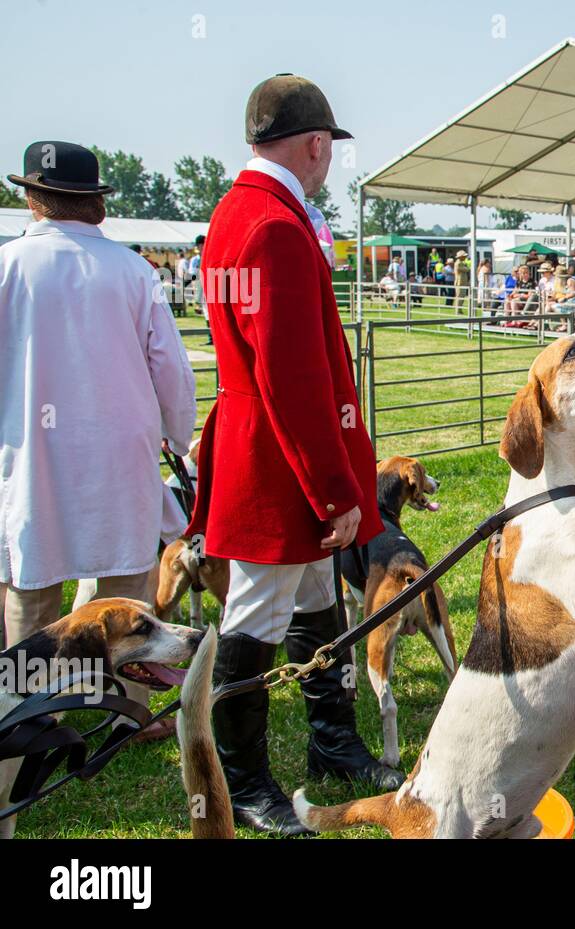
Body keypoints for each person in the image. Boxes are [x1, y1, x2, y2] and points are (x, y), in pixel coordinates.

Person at [187, 74, 399, 836]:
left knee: (317, 600)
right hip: (280, 458)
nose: (328, 162)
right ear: (316, 145)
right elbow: (293, 375)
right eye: (329, 150)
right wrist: (333, 486)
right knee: (255, 617)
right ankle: (240, 781)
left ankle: (333, 742)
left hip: (266, 443)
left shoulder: (238, 209)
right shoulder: (275, 224)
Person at [0, 141, 196, 739]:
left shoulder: (6, 266)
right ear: (97, 207)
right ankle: (126, 714)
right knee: (127, 592)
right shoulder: (133, 271)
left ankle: (22, 714)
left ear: (32, 199)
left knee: (30, 596)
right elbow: (172, 372)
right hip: (119, 460)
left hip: (30, 460)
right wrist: (177, 433)